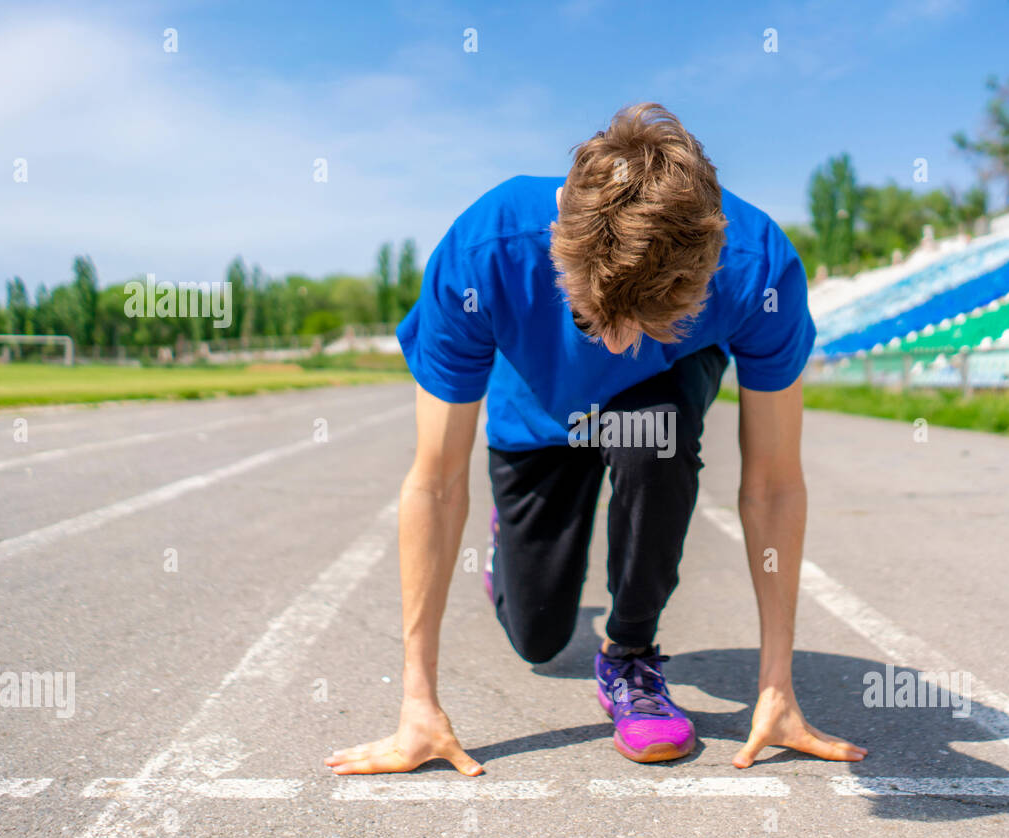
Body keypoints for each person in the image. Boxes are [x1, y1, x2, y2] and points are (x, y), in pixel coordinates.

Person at [325, 103, 867, 774]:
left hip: (654, 403)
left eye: (647, 322)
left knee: (657, 434)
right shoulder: (480, 252)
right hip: (537, 415)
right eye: (592, 317)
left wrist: (777, 688)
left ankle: (630, 655)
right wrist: (417, 703)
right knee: (539, 639)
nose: (614, 346)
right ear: (558, 245)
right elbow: (434, 482)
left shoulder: (757, 269)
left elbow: (775, 484)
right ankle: (512, 552)